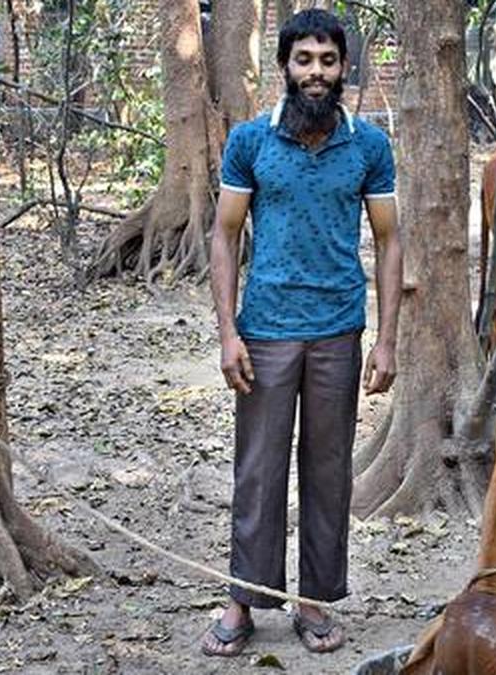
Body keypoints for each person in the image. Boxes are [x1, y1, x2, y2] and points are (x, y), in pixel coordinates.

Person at [201, 8, 402, 657]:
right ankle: (242, 597)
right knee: (258, 468)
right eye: (304, 60)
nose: (316, 73)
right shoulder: (251, 141)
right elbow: (225, 235)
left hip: (338, 330)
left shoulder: (367, 145)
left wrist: (388, 339)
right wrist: (228, 332)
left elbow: (391, 240)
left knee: (327, 469)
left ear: (345, 68)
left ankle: (314, 600)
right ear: (286, 67)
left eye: (327, 61)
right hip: (264, 331)